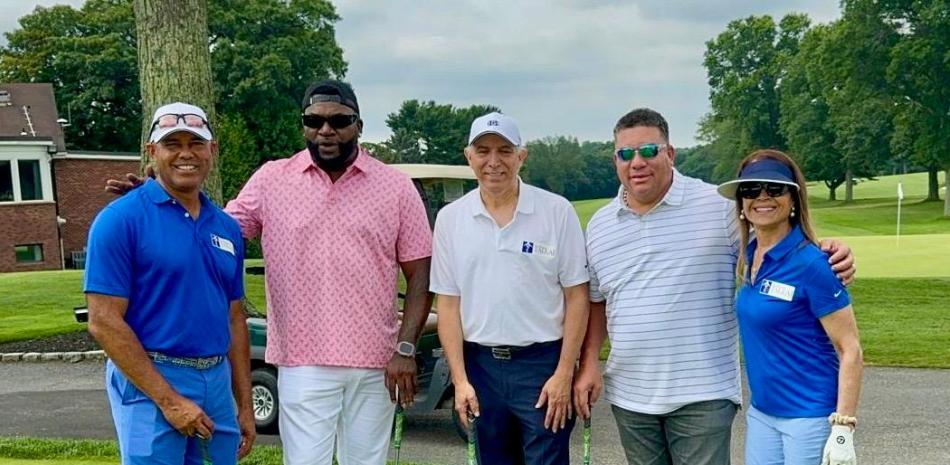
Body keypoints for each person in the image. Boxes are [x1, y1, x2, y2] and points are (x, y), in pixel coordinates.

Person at [106, 81, 433, 465]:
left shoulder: (395, 187)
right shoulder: (272, 179)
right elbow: (211, 233)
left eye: (339, 121)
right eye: (314, 121)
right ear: (304, 126)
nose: (326, 130)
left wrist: (406, 349)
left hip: (377, 363)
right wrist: (157, 199)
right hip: (302, 360)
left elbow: (421, 273)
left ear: (358, 125)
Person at [573, 108, 856, 465]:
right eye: (626, 154)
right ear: (615, 159)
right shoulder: (600, 225)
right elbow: (598, 301)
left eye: (649, 151)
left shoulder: (717, 206)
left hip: (703, 394)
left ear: (670, 154)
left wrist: (831, 252)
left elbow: (778, 241)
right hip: (631, 395)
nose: (637, 162)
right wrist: (588, 365)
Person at [85, 102, 255, 465]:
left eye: (195, 143)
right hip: (152, 379)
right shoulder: (120, 220)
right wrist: (170, 400)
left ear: (212, 150)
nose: (185, 154)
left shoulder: (225, 227)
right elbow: (103, 321)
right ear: (152, 152)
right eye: (171, 144)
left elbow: (234, 317)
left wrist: (245, 403)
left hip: (216, 381)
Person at [431, 112, 590, 465]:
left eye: (504, 151)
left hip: (542, 365)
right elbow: (448, 305)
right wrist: (459, 380)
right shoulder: (451, 219)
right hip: (480, 366)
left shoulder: (556, 211)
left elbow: (577, 297)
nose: (493, 162)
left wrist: (565, 373)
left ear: (522, 156)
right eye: (483, 151)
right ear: (468, 156)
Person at [716, 150, 862, 465]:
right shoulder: (749, 255)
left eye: (774, 188)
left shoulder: (812, 263)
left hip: (809, 417)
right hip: (763, 414)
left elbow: (850, 349)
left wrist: (843, 427)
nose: (762, 197)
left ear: (793, 198)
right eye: (751, 190)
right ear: (742, 203)